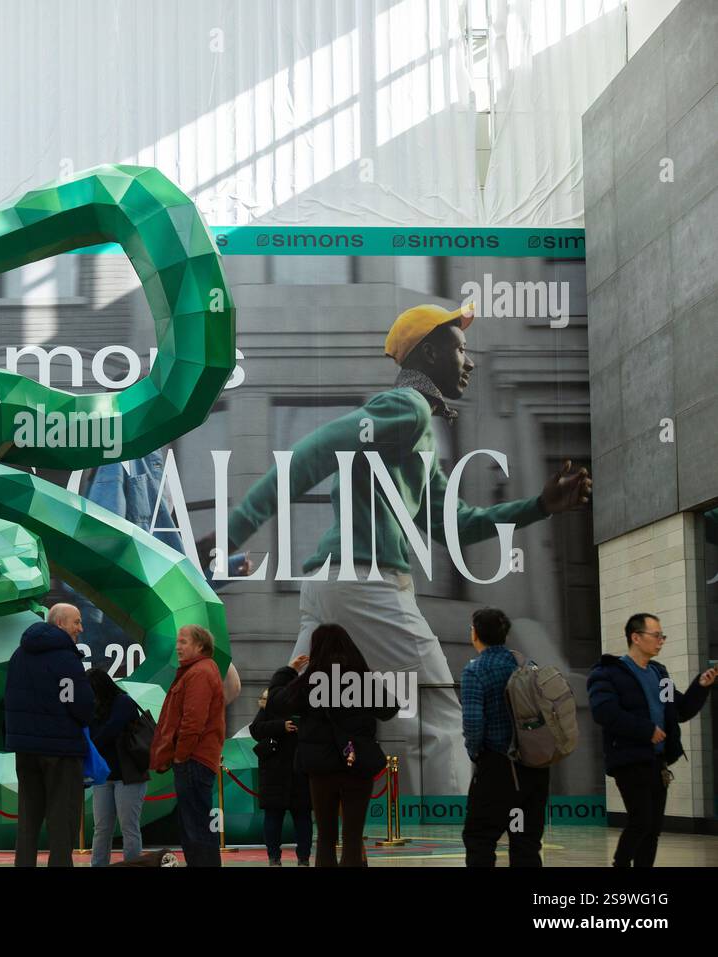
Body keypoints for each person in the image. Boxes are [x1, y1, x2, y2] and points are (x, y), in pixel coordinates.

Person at [206, 303, 592, 794]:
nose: (468, 362)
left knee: (292, 703)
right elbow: (314, 451)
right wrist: (230, 532)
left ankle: (210, 785)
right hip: (365, 584)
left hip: (331, 588)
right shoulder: (406, 408)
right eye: (459, 349)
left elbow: (457, 523)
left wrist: (539, 505)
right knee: (438, 709)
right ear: (429, 353)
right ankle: (455, 838)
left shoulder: (420, 434)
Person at [588, 613, 716, 868]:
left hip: (657, 761)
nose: (661, 641)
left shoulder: (660, 674)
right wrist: (646, 729)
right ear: (636, 638)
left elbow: (678, 710)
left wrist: (700, 686)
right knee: (641, 821)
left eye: (662, 636)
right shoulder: (607, 672)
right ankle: (621, 864)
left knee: (653, 827)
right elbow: (604, 712)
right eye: (656, 635)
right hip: (629, 758)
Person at [281, 623, 397, 867]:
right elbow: (389, 709)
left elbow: (279, 703)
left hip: (321, 766)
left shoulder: (311, 680)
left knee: (325, 837)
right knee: (353, 837)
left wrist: (288, 672)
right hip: (357, 761)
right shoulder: (362, 679)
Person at [4, 603, 95, 867]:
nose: (81, 628)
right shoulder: (67, 659)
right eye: (76, 622)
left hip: (25, 748)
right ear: (60, 624)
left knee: (28, 819)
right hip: (61, 750)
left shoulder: (19, 655)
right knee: (62, 821)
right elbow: (82, 705)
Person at [459, 607, 548, 867]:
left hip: (498, 766)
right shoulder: (526, 664)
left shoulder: (476, 669)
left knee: (479, 837)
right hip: (536, 766)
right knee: (526, 841)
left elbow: (473, 723)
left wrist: (476, 754)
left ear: (475, 633)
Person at [150, 624, 225, 868]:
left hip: (193, 759)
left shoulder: (199, 673)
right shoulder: (198, 671)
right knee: (195, 826)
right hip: (195, 758)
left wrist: (181, 755)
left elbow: (193, 721)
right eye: (178, 641)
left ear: (200, 645)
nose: (178, 647)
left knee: (195, 829)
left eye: (183, 642)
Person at [250, 655, 312, 866]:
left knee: (302, 816)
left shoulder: (307, 705)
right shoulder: (269, 706)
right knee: (274, 817)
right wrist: (280, 726)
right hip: (275, 769)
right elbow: (255, 729)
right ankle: (273, 858)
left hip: (298, 769)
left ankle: (303, 858)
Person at [86, 666, 149, 866]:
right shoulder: (93, 708)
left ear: (99, 688)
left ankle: (132, 865)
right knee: (101, 828)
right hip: (105, 776)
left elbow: (109, 730)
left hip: (128, 775)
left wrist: (89, 744)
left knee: (129, 828)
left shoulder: (123, 702)